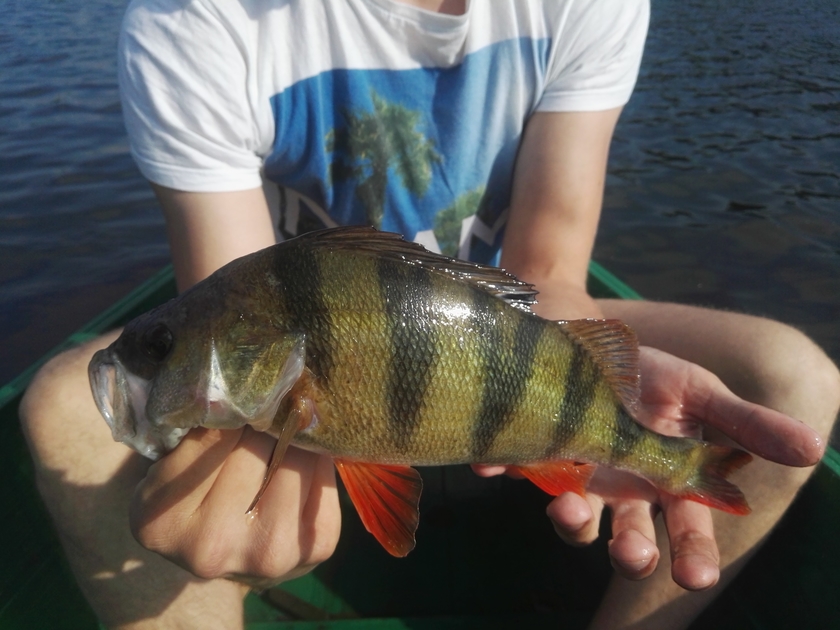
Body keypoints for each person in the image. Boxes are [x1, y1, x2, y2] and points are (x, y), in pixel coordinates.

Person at [19, 0, 838, 628]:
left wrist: (591, 402)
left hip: (504, 351)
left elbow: (548, 264)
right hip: (334, 366)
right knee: (63, 411)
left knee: (795, 376)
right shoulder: (192, 22)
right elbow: (225, 291)